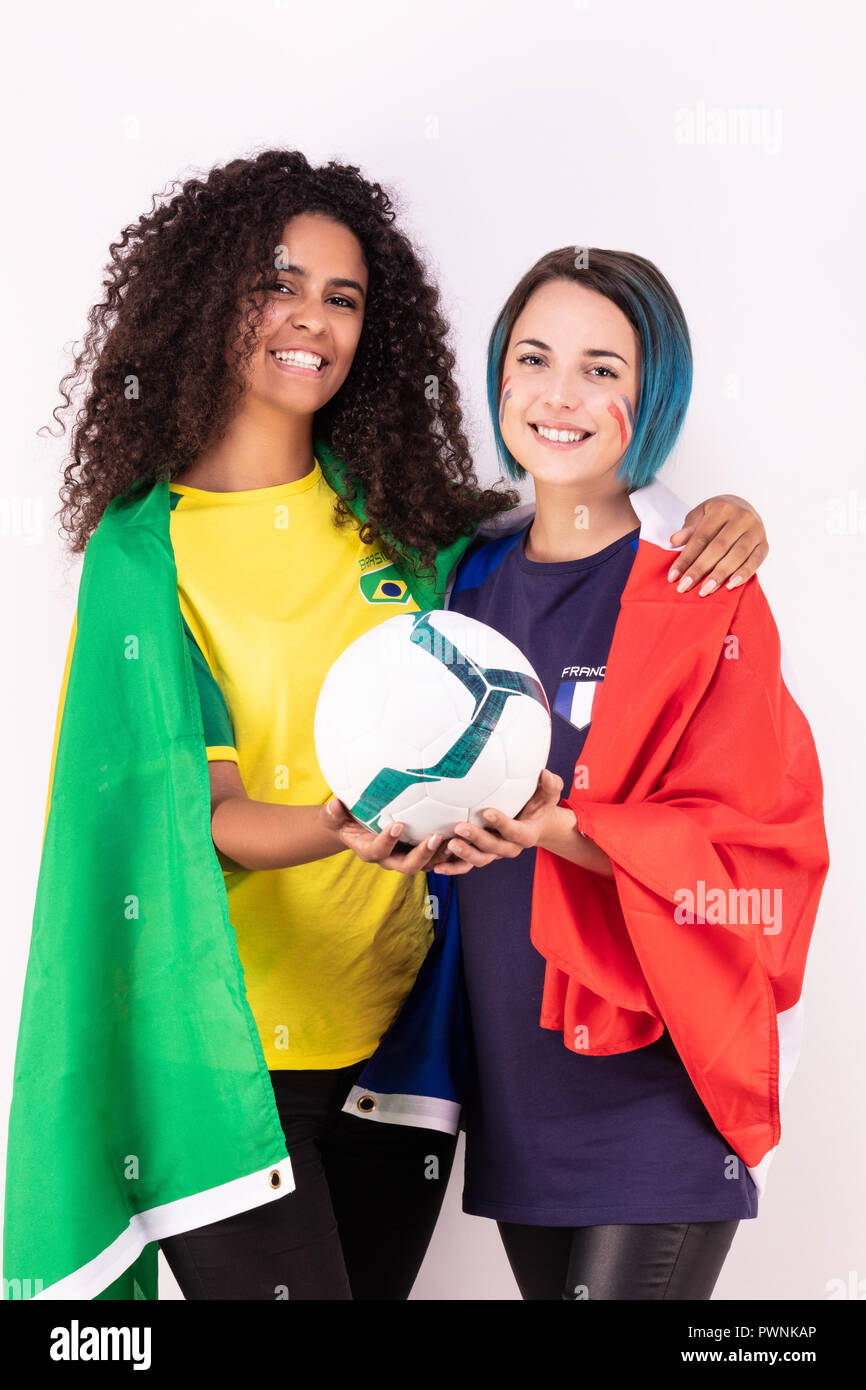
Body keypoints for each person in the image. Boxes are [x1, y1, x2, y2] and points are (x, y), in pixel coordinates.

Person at [4, 154, 771, 1302]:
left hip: (393, 1059)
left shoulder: (407, 529)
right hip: (226, 1062)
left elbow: (570, 532)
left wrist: (707, 511)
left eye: (343, 296)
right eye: (279, 284)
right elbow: (200, 821)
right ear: (208, 296)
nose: (310, 319)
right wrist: (337, 826)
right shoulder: (143, 553)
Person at [334, 247, 828, 1301]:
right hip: (515, 1074)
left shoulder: (701, 589)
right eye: (532, 358)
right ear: (497, 378)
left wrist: (561, 828)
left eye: (601, 368)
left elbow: (760, 856)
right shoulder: (458, 578)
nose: (558, 395)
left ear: (653, 397)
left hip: (654, 1072)